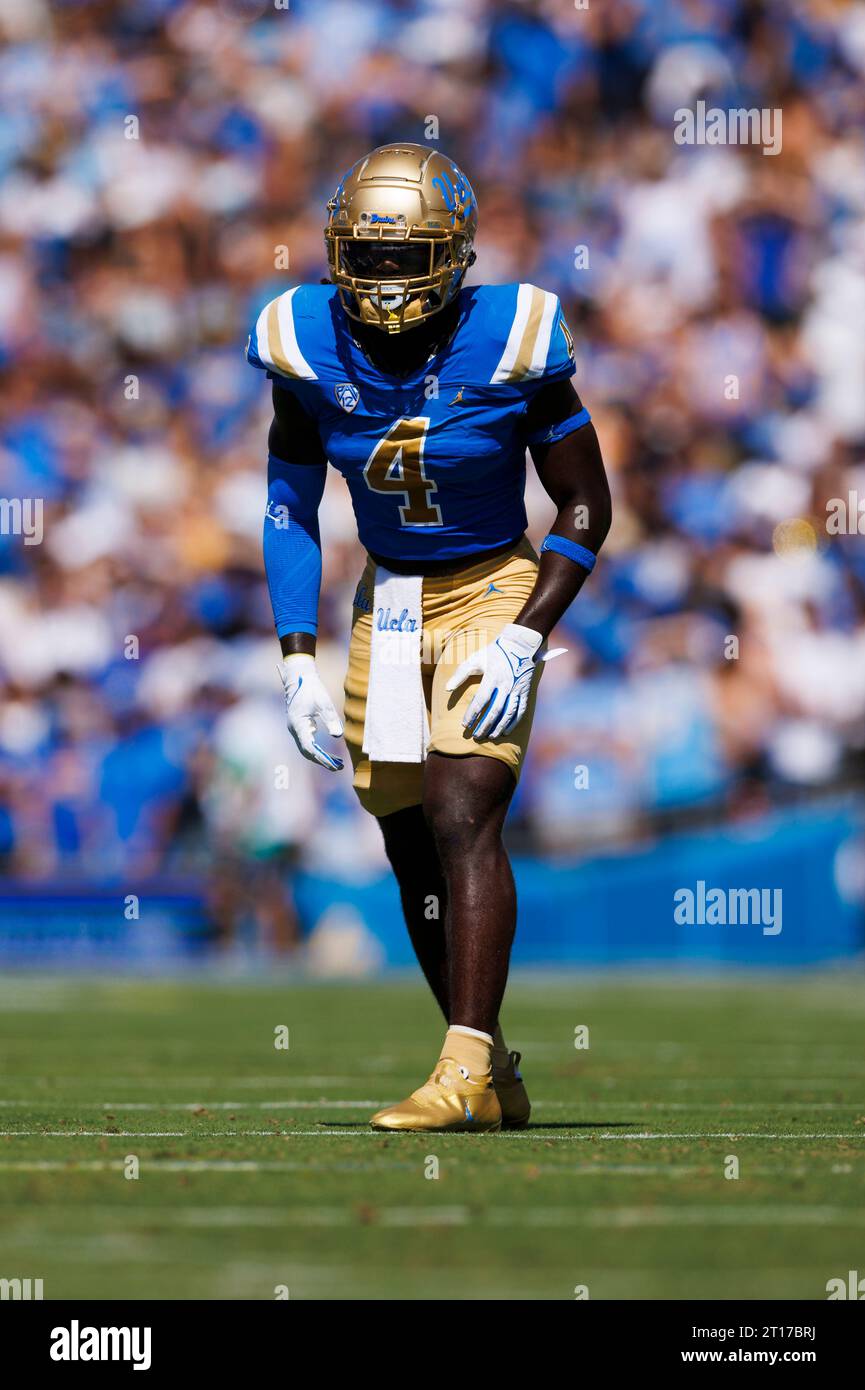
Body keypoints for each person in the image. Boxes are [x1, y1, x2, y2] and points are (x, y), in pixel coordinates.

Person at [247, 143, 611, 1131]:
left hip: (491, 583)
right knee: (410, 841)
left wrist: (528, 633)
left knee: (463, 811)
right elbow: (289, 504)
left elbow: (583, 504)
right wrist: (292, 656)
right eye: (364, 256)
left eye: (405, 256)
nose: (382, 279)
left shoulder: (511, 335)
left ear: (453, 255)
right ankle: (488, 1070)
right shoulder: (301, 338)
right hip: (389, 602)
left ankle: (459, 1068)